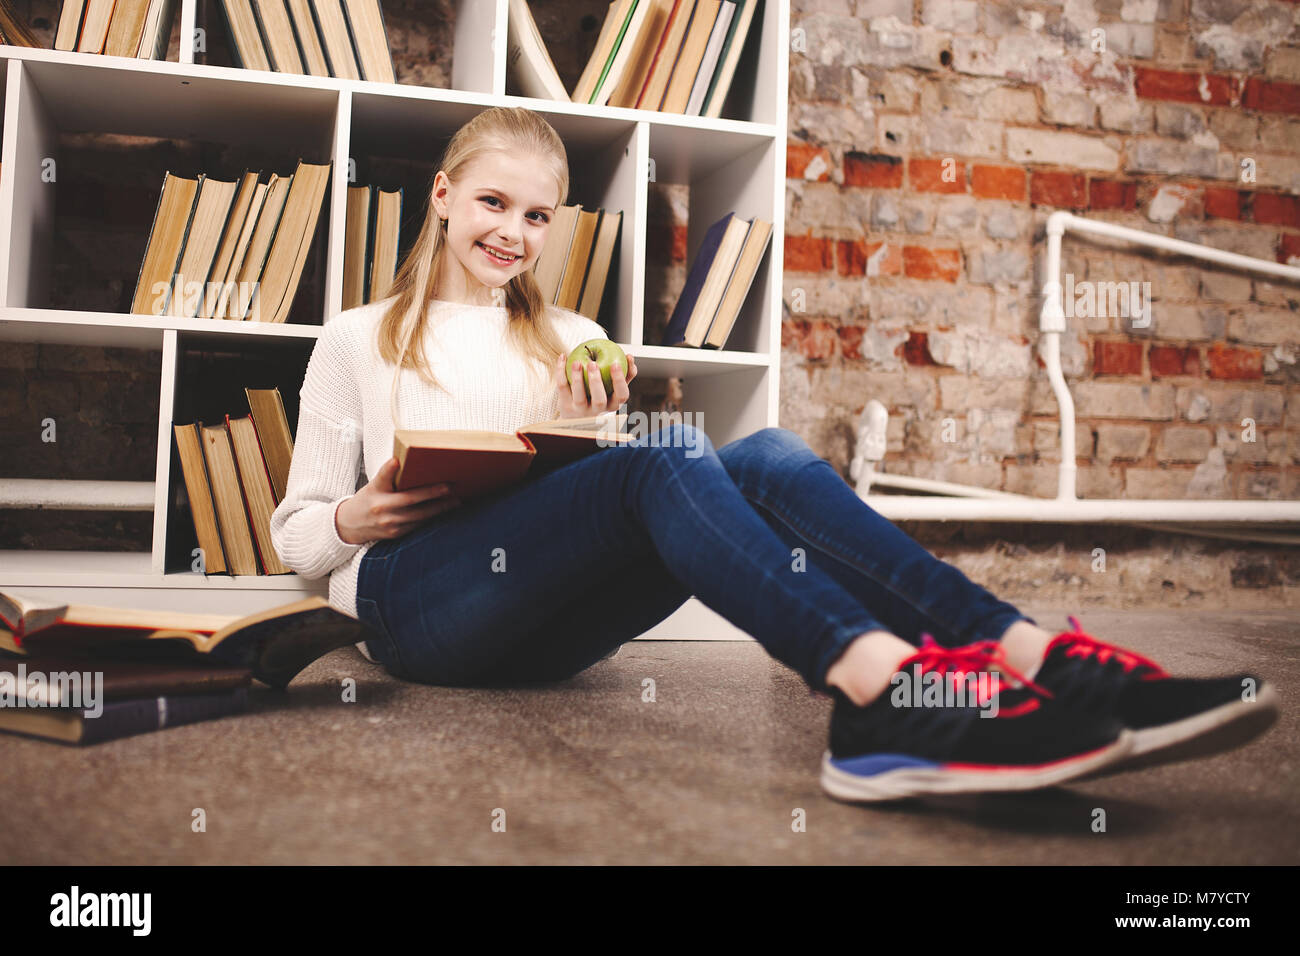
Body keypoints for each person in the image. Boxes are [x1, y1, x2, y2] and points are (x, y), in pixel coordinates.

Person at [270, 107, 1278, 803]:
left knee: (754, 453)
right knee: (671, 448)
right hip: (413, 607)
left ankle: (1036, 656)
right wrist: (353, 517)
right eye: (493, 203)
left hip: (538, 627)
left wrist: (596, 423)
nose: (514, 232)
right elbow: (294, 540)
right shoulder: (357, 335)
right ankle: (884, 691)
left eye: (538, 215)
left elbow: (616, 503)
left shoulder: (568, 332)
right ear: (444, 196)